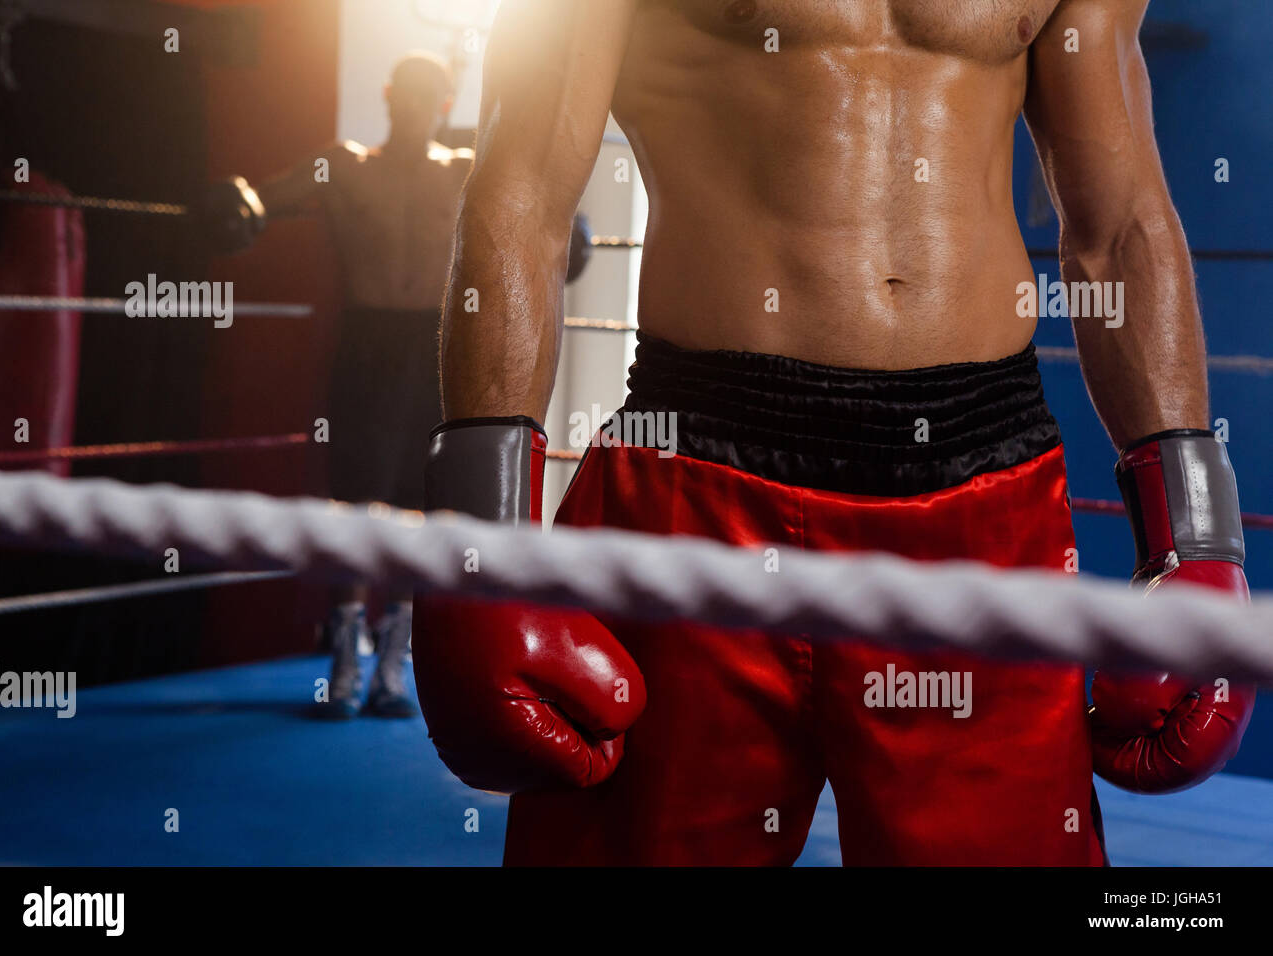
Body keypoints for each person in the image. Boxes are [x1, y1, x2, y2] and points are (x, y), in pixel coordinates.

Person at [412, 0, 1254, 864]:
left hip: (982, 497)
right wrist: (477, 541)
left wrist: (1194, 533)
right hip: (698, 478)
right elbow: (523, 188)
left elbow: (1118, 227)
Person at [259, 51, 472, 718]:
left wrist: (570, 230)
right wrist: (231, 202)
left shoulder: (465, 172)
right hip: (367, 342)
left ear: (442, 103)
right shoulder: (345, 164)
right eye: (402, 93)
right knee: (356, 501)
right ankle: (345, 661)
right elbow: (264, 200)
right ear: (387, 96)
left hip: (430, 346)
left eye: (425, 95)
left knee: (415, 504)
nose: (410, 105)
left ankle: (392, 665)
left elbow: (529, 217)